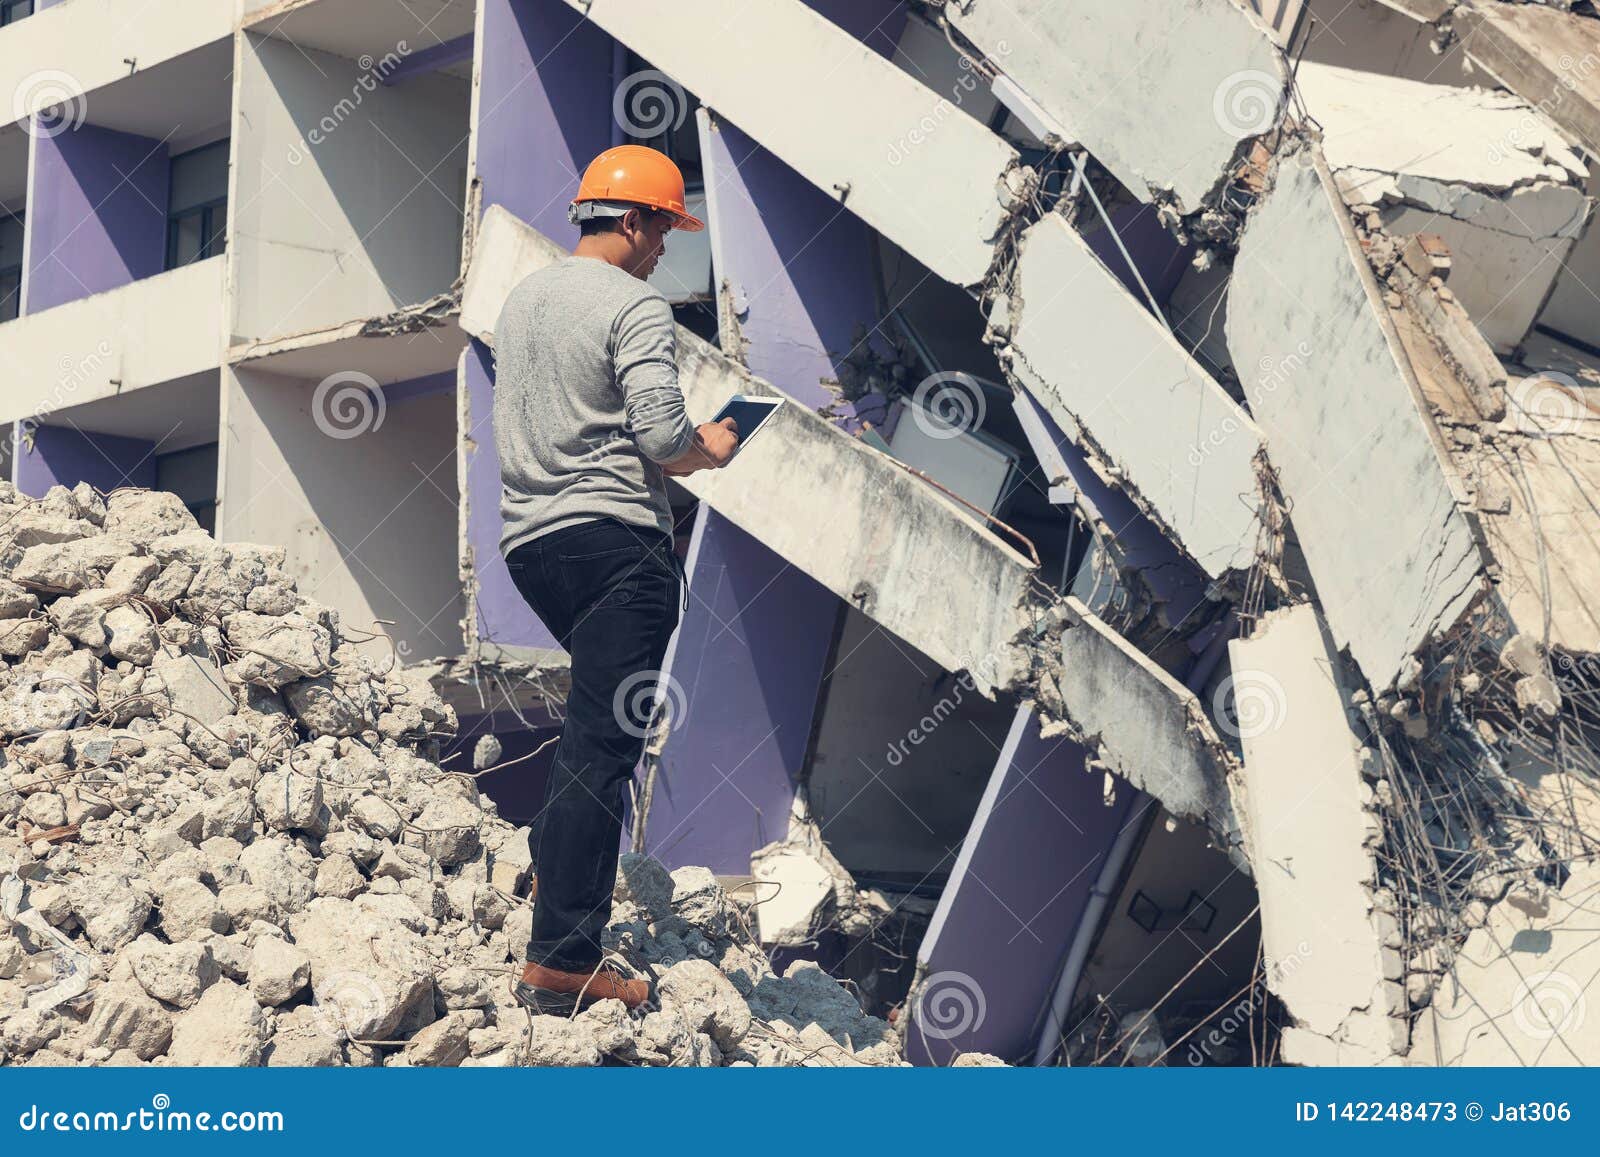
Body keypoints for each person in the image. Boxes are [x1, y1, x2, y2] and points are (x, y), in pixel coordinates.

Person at [492, 144, 739, 1015]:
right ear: (632, 221)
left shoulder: (524, 300)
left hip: (532, 546)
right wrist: (710, 448)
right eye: (666, 228)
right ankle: (563, 959)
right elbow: (662, 435)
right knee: (603, 749)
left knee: (588, 735)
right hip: (618, 548)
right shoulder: (634, 305)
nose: (668, 248)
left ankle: (553, 882)